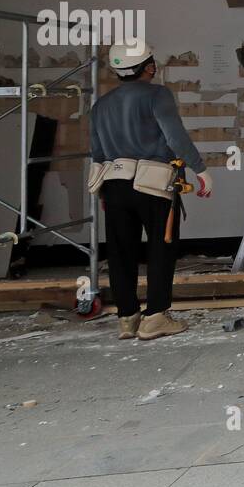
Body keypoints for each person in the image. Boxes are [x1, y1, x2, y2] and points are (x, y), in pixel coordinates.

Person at [90, 37, 211, 341]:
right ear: (148, 67)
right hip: (153, 185)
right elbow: (175, 137)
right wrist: (200, 170)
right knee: (161, 248)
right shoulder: (158, 95)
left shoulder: (101, 105)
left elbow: (98, 153)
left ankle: (127, 318)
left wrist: (104, 192)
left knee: (120, 252)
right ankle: (156, 316)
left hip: (114, 184)